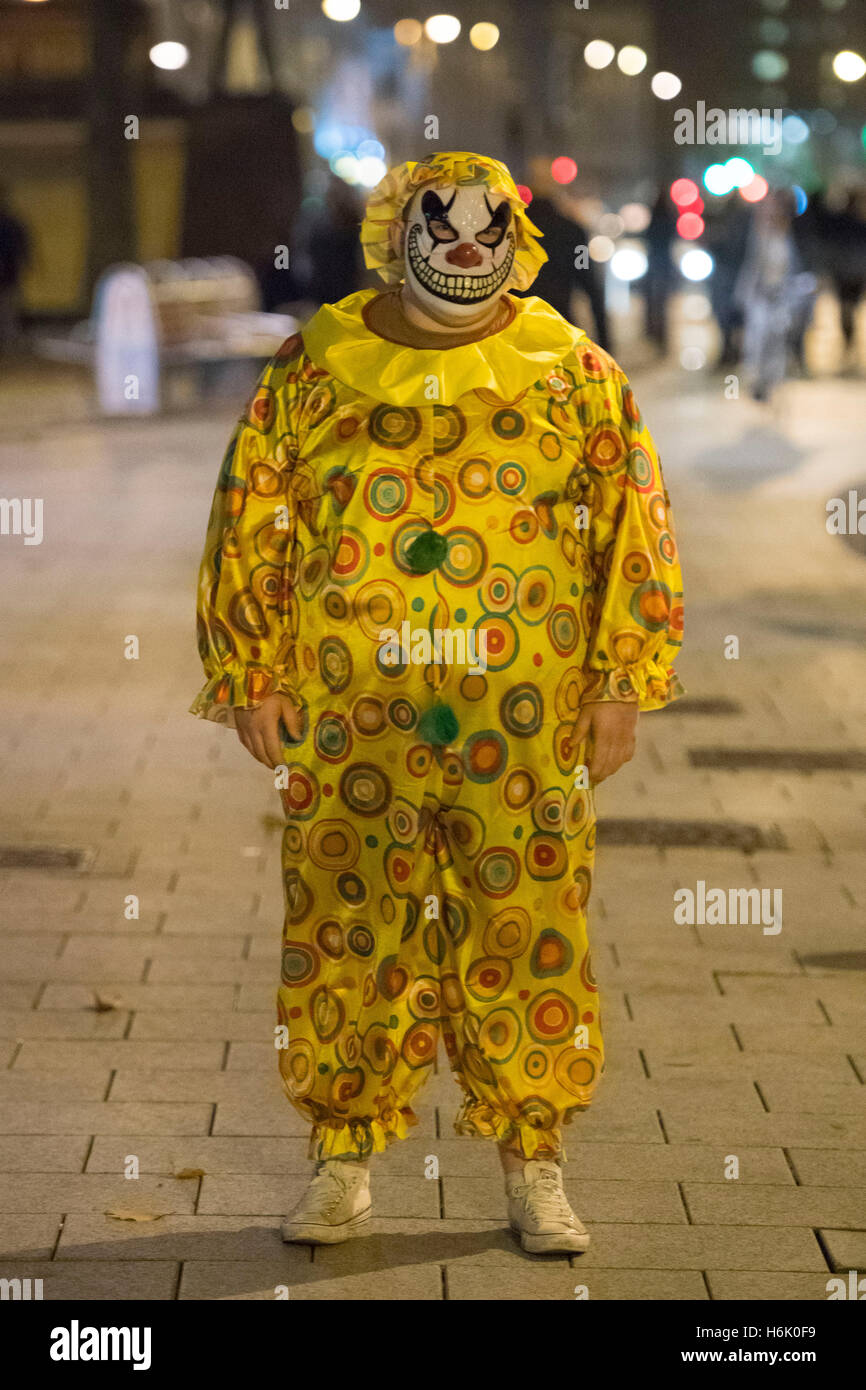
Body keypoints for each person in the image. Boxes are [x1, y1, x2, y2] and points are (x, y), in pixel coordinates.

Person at [191, 152, 684, 1256]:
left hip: (524, 719)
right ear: (393, 230)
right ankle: (343, 1157)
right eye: (441, 227)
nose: (464, 250)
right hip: (348, 713)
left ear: (516, 239)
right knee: (344, 930)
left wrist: (619, 684)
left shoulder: (572, 370)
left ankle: (532, 1161)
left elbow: (629, 526)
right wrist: (251, 672)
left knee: (528, 929)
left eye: (486, 230)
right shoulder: (313, 366)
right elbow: (253, 518)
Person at [735, 189, 816, 401]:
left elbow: (796, 265)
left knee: (777, 338)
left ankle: (772, 381)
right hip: (758, 296)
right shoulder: (752, 234)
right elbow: (748, 266)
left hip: (783, 296)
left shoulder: (791, 235)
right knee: (758, 337)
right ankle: (757, 380)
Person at [0, 183, 30, 352]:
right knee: (8, 308)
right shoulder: (12, 221)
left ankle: (10, 341)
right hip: (10, 272)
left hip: (9, 272)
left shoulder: (10, 222)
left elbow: (20, 245)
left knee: (8, 308)